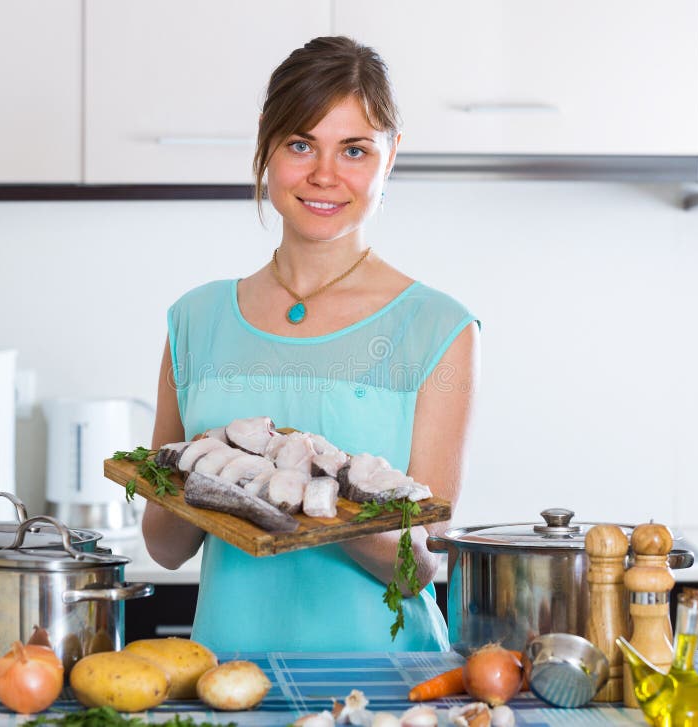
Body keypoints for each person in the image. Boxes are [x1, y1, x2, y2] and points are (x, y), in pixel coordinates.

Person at [142, 36, 480, 652]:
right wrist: (194, 469)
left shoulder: (438, 327)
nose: (324, 174)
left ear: (390, 156)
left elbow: (421, 567)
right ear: (266, 150)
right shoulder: (195, 319)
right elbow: (165, 550)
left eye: (354, 149)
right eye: (301, 144)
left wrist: (306, 485)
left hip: (387, 686)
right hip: (226, 673)